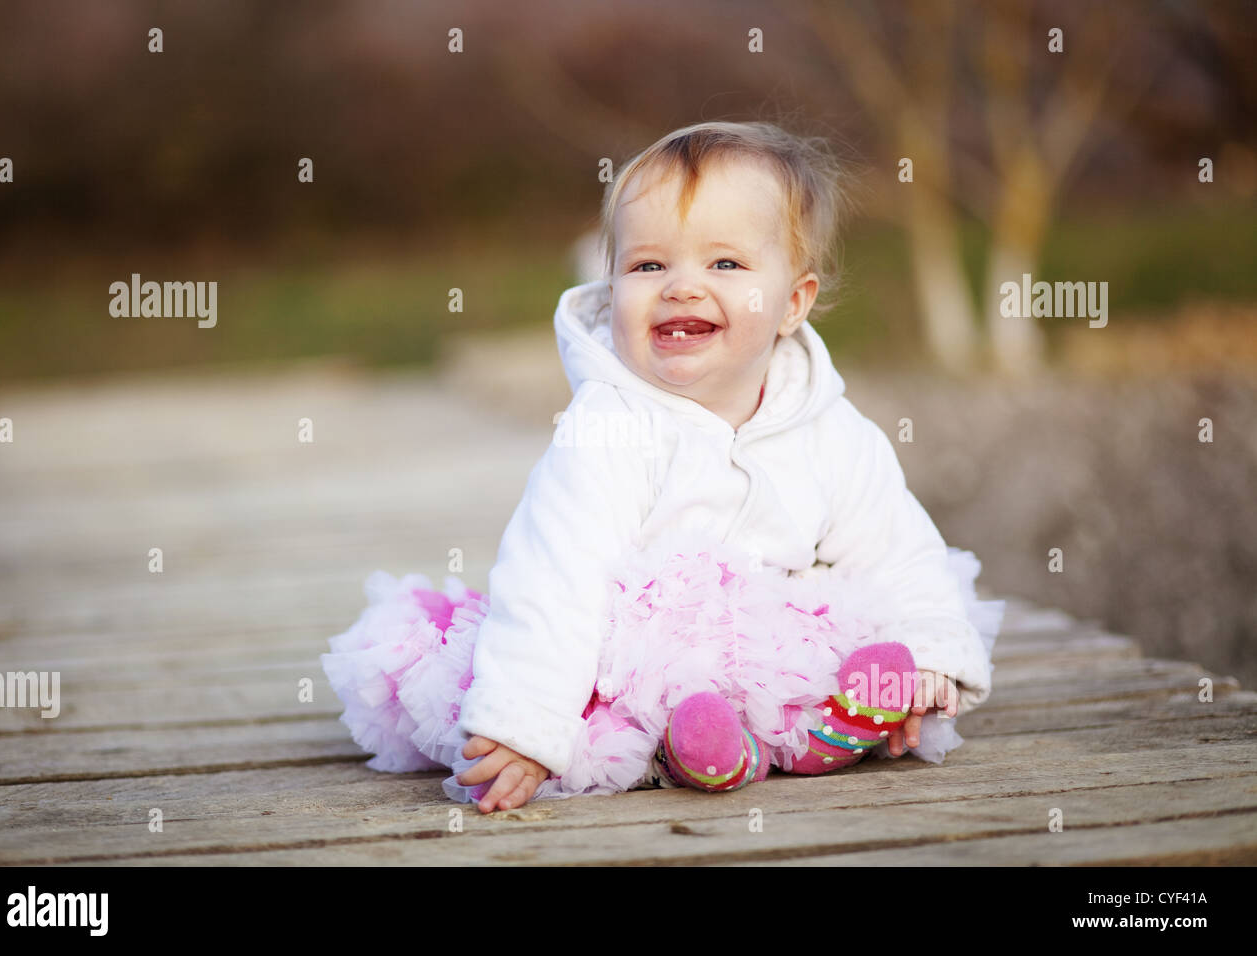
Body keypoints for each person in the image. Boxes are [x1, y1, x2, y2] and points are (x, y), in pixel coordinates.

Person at [321, 120, 1004, 814]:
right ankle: (689, 747)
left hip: (776, 652)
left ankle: (829, 725)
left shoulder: (831, 430)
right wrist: (526, 722)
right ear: (610, 285)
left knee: (863, 624)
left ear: (793, 303)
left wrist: (930, 653)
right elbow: (556, 572)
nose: (681, 287)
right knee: (600, 694)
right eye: (648, 266)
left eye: (725, 265)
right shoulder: (610, 427)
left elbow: (897, 547)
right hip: (640, 665)